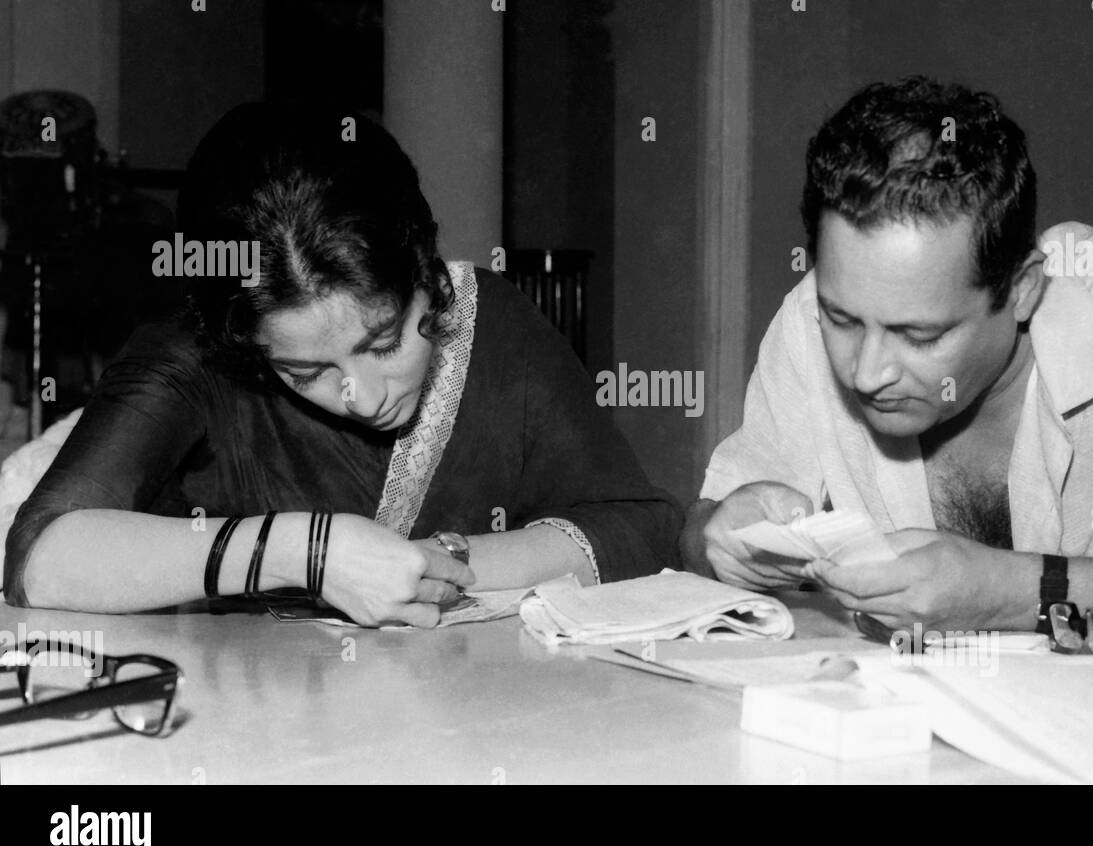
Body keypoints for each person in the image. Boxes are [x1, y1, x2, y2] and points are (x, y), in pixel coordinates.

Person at [680, 76, 1093, 653]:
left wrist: (1020, 592)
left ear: (1023, 289)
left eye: (918, 334)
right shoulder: (807, 318)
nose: (867, 372)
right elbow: (698, 530)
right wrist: (721, 539)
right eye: (843, 321)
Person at [3, 103, 681, 627]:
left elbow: (644, 529)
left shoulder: (492, 323)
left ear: (424, 270)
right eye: (305, 374)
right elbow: (42, 559)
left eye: (384, 342)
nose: (362, 395)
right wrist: (309, 550)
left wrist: (437, 565)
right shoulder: (198, 353)